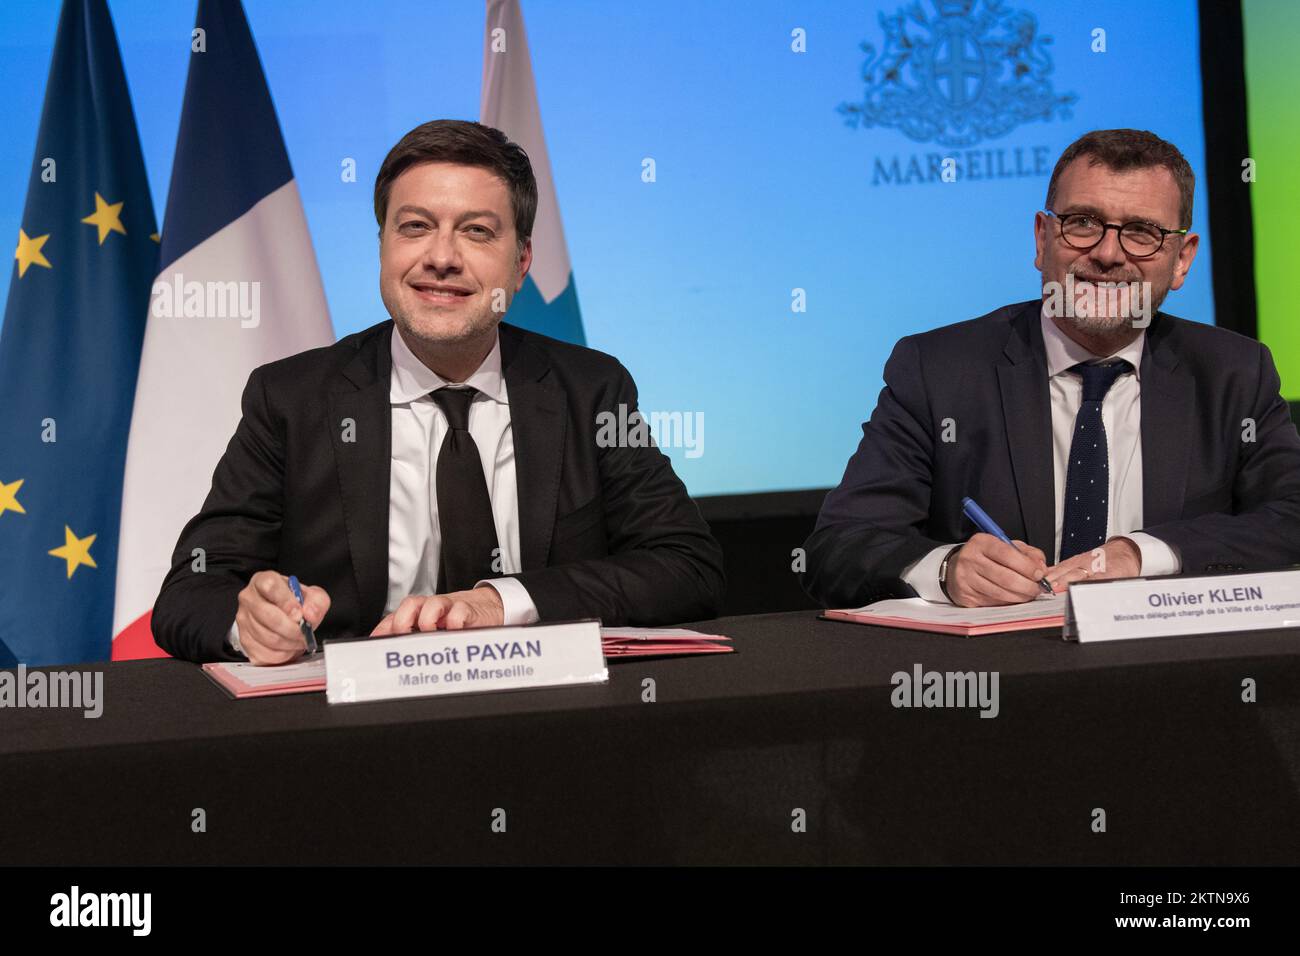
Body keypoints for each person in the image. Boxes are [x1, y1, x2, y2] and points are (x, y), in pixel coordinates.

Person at [153, 120, 723, 663]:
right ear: (383, 246)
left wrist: (501, 602)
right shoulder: (290, 399)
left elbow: (686, 566)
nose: (442, 258)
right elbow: (190, 592)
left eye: (477, 231)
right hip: (355, 720)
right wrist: (249, 622)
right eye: (415, 226)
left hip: (546, 712)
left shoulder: (590, 390)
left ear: (522, 261)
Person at [803, 128, 1300, 610]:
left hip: (1169, 658)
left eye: (1142, 233)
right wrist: (947, 568)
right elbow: (839, 547)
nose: (1107, 254)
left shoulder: (1233, 373)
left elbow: (1291, 517)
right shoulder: (939, 371)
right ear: (1042, 239)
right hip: (1006, 663)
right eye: (1082, 222)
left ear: (1182, 260)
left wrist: (1141, 555)